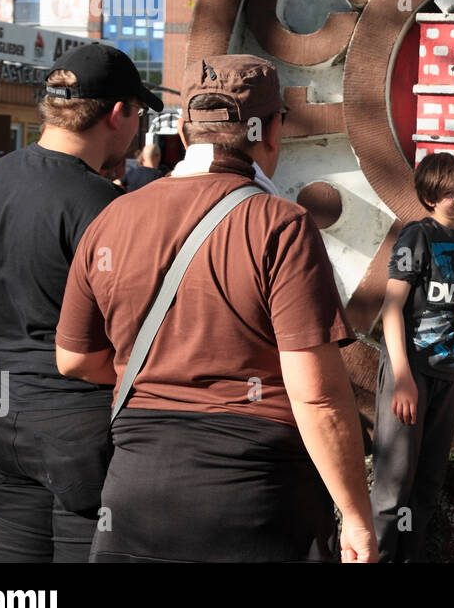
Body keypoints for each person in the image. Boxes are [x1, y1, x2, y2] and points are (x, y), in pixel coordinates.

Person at [55, 55, 374, 562]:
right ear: (272, 132)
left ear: (184, 133)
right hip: (256, 496)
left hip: (134, 488)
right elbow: (316, 397)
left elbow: (73, 360)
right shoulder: (281, 224)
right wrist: (356, 517)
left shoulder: (113, 216)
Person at [0, 42, 159, 562]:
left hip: (0, 415)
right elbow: (130, 328)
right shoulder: (105, 204)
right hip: (78, 423)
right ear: (119, 113)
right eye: (138, 113)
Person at [371, 152, 454, 562]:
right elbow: (391, 307)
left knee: (429, 480)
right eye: (448, 192)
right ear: (430, 197)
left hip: (451, 373)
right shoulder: (416, 236)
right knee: (393, 483)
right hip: (412, 370)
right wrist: (401, 376)